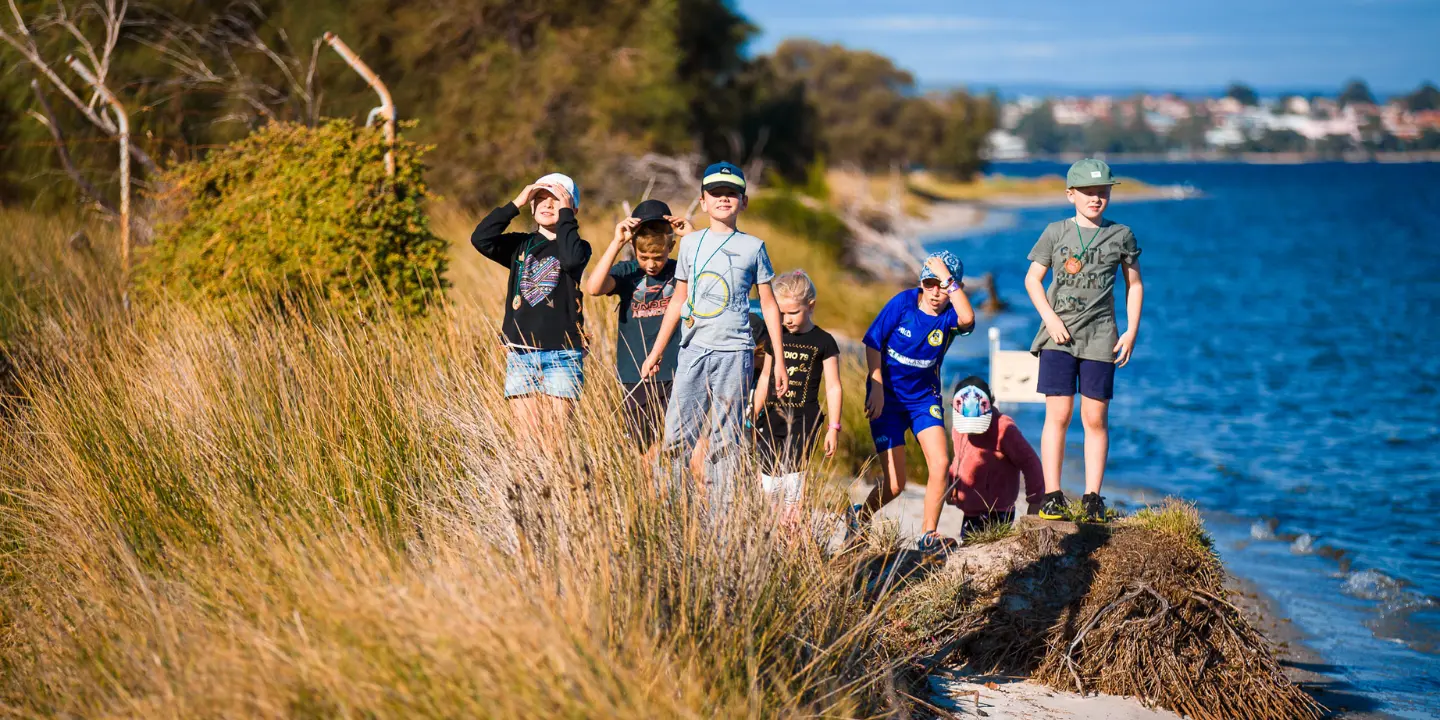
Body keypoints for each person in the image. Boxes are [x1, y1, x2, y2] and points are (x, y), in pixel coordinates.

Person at [640, 162, 788, 501]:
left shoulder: (754, 247)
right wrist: (657, 351)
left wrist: (778, 360)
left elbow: (768, 304)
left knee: (726, 440)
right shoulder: (690, 244)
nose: (724, 199)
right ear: (703, 201)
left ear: (743, 202)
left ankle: (721, 521)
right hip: (693, 350)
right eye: (716, 193)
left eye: (731, 193)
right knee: (677, 435)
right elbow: (678, 299)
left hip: (736, 353)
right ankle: (674, 511)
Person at [1024, 158, 1145, 523]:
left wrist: (1132, 331)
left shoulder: (1121, 235)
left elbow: (1134, 284)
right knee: (1057, 414)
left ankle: (1093, 497)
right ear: (1070, 194)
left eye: (1102, 192)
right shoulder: (1055, 232)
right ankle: (1052, 495)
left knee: (1094, 417)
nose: (1096, 198)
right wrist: (1050, 317)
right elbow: (1033, 280)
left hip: (1101, 337)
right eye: (1088, 192)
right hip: (1057, 337)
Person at [852, 251, 976, 555]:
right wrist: (876, 384)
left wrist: (948, 279)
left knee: (940, 464)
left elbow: (969, 319)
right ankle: (860, 517)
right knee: (895, 485)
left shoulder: (950, 318)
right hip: (888, 399)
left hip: (924, 400)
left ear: (954, 287)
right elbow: (872, 342)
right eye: (930, 283)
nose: (936, 292)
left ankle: (928, 534)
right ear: (921, 283)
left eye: (943, 286)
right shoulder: (904, 303)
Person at [470, 173, 591, 433]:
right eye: (540, 199)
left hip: (563, 351)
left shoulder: (579, 247)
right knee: (527, 439)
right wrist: (516, 203)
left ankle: (560, 476)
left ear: (572, 209)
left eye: (556, 200)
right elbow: (481, 239)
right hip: (521, 352)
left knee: (556, 439)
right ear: (532, 205)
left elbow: (571, 262)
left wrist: (566, 219)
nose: (547, 204)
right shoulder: (520, 246)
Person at [584, 199, 685, 452]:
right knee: (645, 447)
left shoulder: (681, 271)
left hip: (676, 369)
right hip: (635, 372)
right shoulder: (627, 271)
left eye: (658, 257)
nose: (651, 264)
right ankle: (653, 492)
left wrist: (691, 235)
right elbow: (594, 287)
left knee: (679, 445)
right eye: (644, 257)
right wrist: (617, 242)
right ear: (633, 248)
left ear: (671, 247)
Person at [752, 270, 842, 520]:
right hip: (770, 419)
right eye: (781, 313)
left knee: (793, 486)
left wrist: (834, 427)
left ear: (810, 306)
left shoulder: (824, 342)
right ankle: (773, 533)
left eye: (793, 312)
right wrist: (753, 413)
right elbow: (765, 377)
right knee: (770, 486)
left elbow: (834, 386)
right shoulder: (775, 338)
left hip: (804, 422)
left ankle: (791, 531)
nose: (787, 319)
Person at [945, 377, 1045, 539]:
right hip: (969, 509)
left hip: (998, 511)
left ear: (990, 404)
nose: (971, 431)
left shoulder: (1004, 429)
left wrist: (1035, 500)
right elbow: (959, 457)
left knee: (988, 551)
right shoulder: (959, 427)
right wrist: (952, 486)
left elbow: (1030, 462)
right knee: (970, 550)